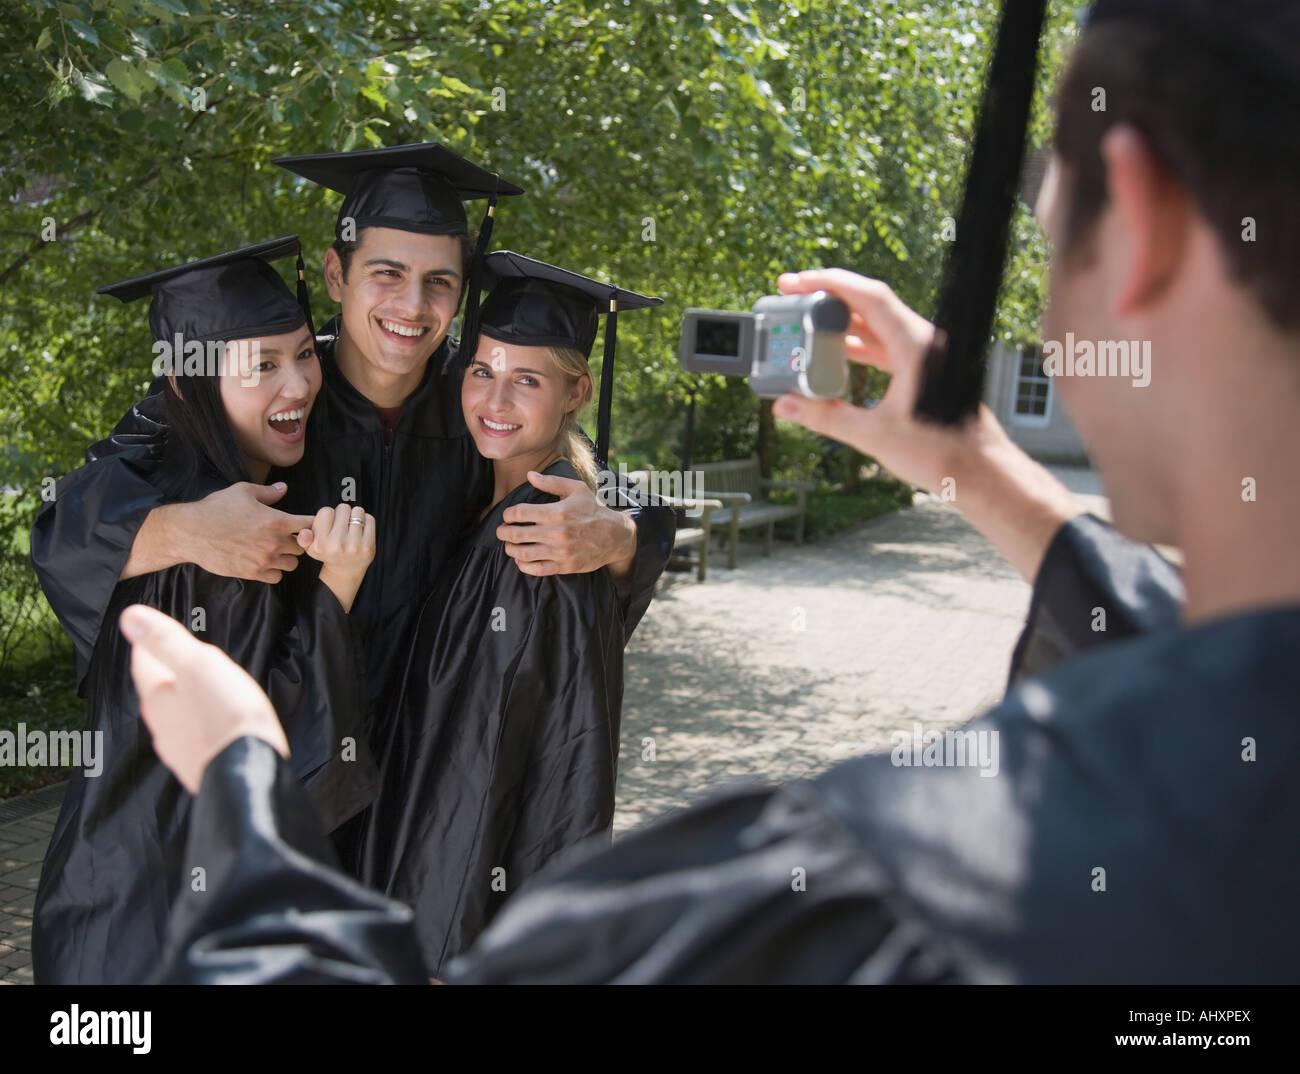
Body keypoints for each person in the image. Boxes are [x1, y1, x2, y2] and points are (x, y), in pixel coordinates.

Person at [115, 0, 1300, 985]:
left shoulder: (893, 892)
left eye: (1051, 220)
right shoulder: (291, 395)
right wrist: (972, 468)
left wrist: (244, 775)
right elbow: (1176, 630)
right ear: (337, 274)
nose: (433, 333)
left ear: (1137, 225)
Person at [29, 144, 676, 745]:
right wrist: (184, 531)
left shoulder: (486, 406)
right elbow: (71, 518)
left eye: (441, 282)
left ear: (464, 295)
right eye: (387, 273)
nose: (413, 305)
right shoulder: (267, 401)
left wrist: (618, 538)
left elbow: (619, 501)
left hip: (427, 764)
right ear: (337, 274)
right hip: (294, 755)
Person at [32, 238, 380, 985]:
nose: (298, 384)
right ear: (189, 386)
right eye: (261, 365)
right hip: (160, 918)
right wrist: (337, 590)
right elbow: (270, 744)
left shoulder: (164, 473)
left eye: (302, 354)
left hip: (107, 892)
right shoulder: (224, 538)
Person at [353, 253, 663, 973]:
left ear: (575, 391)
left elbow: (485, 767)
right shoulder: (521, 505)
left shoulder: (538, 539)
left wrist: (435, 939)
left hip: (459, 903)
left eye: (528, 379)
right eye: (483, 370)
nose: (496, 399)